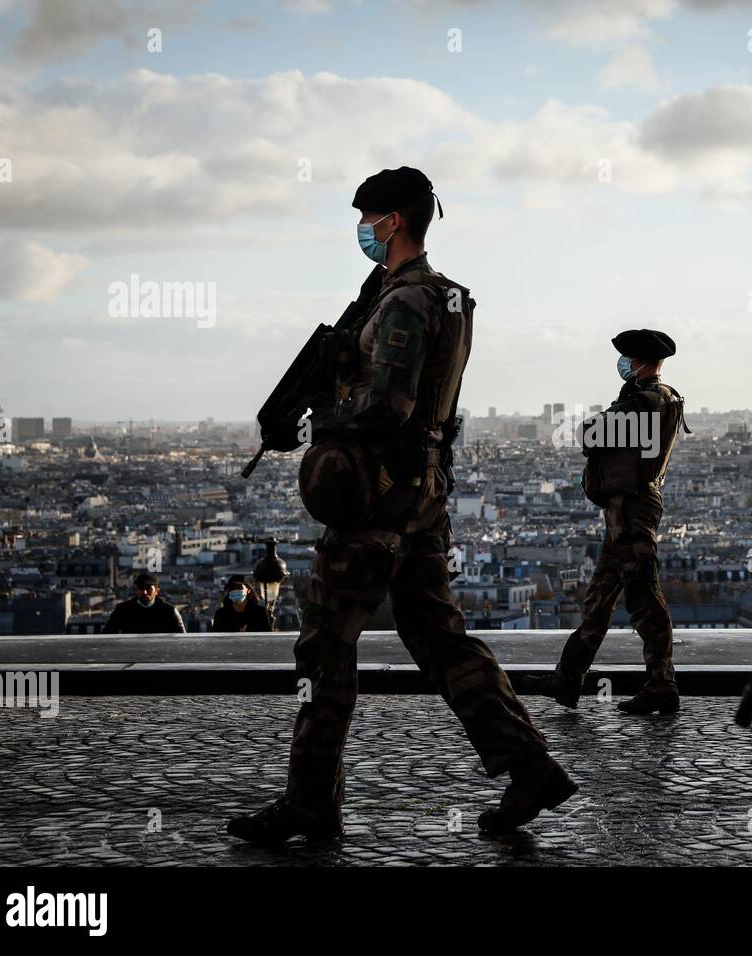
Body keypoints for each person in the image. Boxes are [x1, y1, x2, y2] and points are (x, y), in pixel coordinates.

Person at [228, 167, 575, 845]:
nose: (362, 231)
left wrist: (319, 420)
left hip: (378, 500)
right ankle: (531, 769)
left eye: (368, 219)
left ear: (391, 222)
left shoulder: (405, 302)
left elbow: (389, 404)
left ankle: (309, 803)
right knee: (441, 639)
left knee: (325, 646)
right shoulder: (448, 298)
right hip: (422, 492)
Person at [522, 329, 688, 715]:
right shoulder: (656, 398)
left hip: (631, 508)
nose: (623, 364)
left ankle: (662, 685)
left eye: (629, 358)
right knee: (599, 600)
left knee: (643, 597)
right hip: (624, 510)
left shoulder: (646, 401)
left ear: (641, 362)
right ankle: (568, 678)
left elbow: (591, 433)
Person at [102, 572, 185, 634]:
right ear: (136, 590)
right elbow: (107, 635)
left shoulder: (169, 612)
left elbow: (181, 639)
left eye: (149, 589)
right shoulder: (122, 610)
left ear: (157, 591)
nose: (145, 592)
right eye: (141, 588)